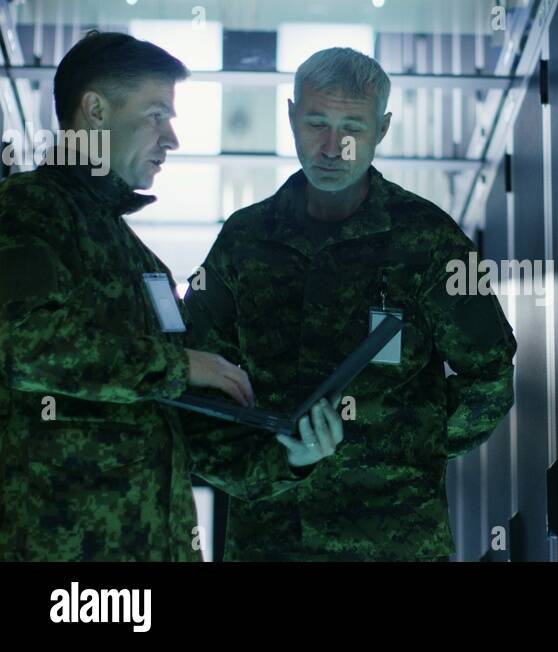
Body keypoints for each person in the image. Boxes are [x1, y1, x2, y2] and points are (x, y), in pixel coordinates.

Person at [0, 31, 339, 561]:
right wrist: (180, 365)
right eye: (157, 114)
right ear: (94, 109)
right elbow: (24, 345)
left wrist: (292, 456)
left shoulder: (143, 264)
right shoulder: (27, 211)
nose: (171, 138)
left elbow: (187, 432)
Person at [184, 47, 517, 561]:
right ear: (290, 115)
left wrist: (408, 444)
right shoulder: (244, 240)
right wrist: (261, 464)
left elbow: (491, 377)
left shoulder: (430, 241)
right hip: (270, 539)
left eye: (353, 129)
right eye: (316, 123)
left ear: (382, 130)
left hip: (396, 539)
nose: (332, 147)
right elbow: (197, 380)